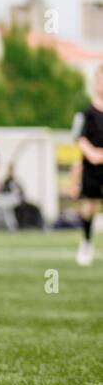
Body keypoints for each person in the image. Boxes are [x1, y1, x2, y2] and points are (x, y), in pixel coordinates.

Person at [70, 65, 103, 267]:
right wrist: (92, 153)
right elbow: (78, 137)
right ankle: (86, 242)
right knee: (89, 205)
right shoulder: (85, 113)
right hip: (92, 168)